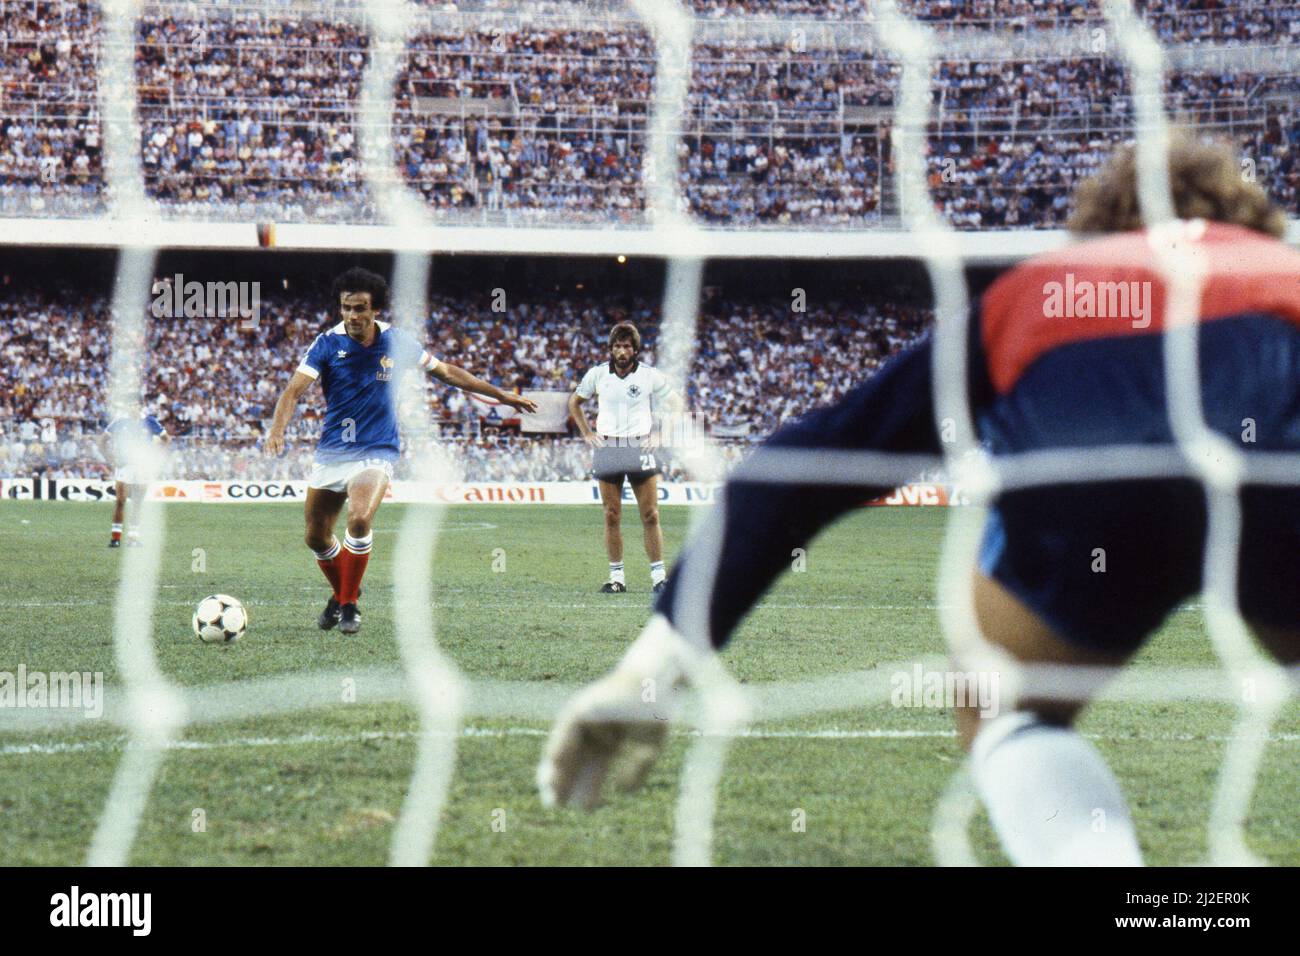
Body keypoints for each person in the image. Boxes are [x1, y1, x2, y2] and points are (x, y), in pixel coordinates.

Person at [538, 136, 1300, 866]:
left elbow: (809, 464)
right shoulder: (1286, 273)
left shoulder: (1047, 291)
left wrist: (651, 670)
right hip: (1280, 442)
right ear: (1255, 227)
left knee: (1005, 712)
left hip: (1090, 464)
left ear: (1100, 233)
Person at [265, 267, 537, 635]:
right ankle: (345, 592)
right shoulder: (326, 343)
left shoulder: (397, 341)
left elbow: (446, 372)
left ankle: (348, 606)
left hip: (377, 449)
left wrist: (499, 394)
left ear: (375, 309)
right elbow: (293, 391)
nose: (352, 316)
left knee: (359, 519)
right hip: (332, 451)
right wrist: (277, 430)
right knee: (315, 535)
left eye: (360, 308)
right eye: (346, 308)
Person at [569, 321, 677, 593]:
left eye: (627, 346)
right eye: (617, 345)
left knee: (651, 514)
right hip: (608, 448)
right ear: (611, 348)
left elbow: (677, 404)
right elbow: (574, 402)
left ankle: (659, 579)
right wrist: (586, 433)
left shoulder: (649, 375)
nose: (621, 351)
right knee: (611, 514)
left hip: (639, 447)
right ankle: (617, 579)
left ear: (635, 350)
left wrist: (661, 436)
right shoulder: (597, 374)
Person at [103, 409, 168, 547]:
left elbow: (166, 439)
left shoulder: (149, 421)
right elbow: (103, 439)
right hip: (124, 466)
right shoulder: (120, 421)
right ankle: (115, 538)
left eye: (136, 403)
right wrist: (110, 459)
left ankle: (133, 538)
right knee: (121, 501)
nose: (133, 406)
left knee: (137, 503)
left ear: (140, 405)